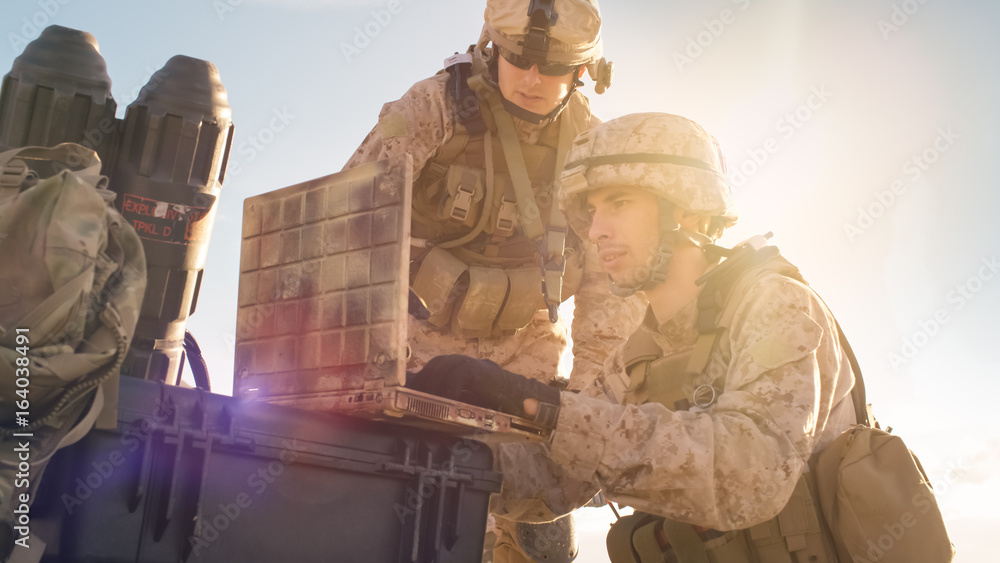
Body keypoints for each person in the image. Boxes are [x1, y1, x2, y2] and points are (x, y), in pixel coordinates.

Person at [410, 113, 859, 562]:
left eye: (619, 203)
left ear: (685, 207)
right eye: (591, 211)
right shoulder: (639, 355)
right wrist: (432, 447)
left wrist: (539, 404)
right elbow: (554, 479)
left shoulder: (775, 305)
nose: (595, 230)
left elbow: (751, 472)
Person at [342, 1, 644, 560]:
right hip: (416, 353)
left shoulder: (595, 153)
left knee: (532, 538)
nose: (531, 79)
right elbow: (352, 213)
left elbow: (613, 286)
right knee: (413, 523)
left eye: (552, 68)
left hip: (525, 361)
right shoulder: (433, 106)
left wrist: (583, 401)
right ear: (490, 48)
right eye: (518, 60)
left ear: (583, 73)